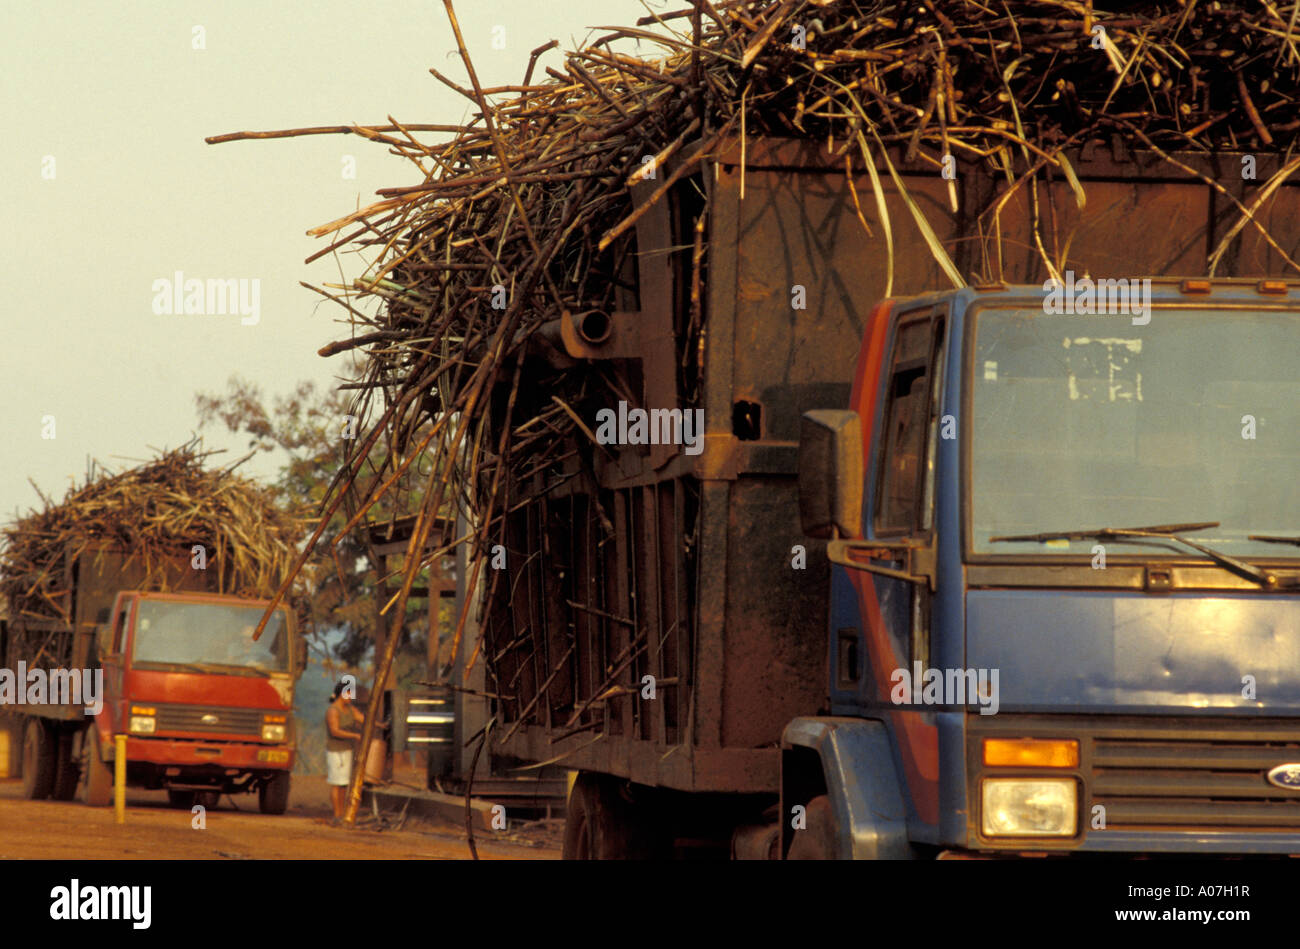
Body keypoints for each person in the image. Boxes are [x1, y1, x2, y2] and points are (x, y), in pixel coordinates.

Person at [325, 681, 364, 822]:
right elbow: (335, 731)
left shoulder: (351, 710)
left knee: (344, 784)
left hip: (347, 750)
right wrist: (354, 736)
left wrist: (381, 725)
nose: (350, 697)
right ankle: (337, 814)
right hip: (336, 752)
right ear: (341, 694)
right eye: (348, 693)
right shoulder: (333, 711)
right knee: (337, 783)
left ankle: (341, 814)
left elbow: (364, 719)